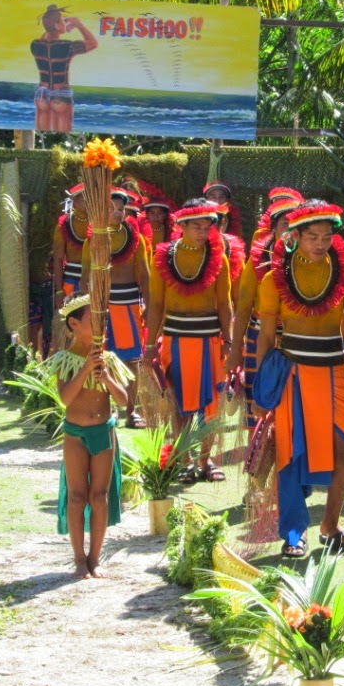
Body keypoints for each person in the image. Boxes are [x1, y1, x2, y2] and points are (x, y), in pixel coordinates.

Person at [252, 200, 344, 558]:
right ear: (294, 236)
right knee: (289, 455)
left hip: (334, 372)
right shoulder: (274, 279)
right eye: (312, 237)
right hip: (292, 376)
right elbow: (266, 338)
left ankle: (330, 525)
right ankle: (293, 533)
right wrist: (262, 389)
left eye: (327, 236)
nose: (321, 243)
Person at [144, 198, 232, 481]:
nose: (203, 232)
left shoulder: (220, 257)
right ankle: (183, 459)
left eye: (208, 227)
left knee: (210, 405)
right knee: (179, 403)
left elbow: (224, 304)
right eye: (197, 226)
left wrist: (229, 342)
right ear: (181, 225)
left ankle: (206, 462)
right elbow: (155, 304)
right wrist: (148, 345)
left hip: (210, 341)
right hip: (176, 339)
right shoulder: (161, 257)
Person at [45, 294, 131, 579]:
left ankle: (95, 558)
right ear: (74, 323)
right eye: (95, 321)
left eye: (103, 321)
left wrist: (105, 377)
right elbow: (66, 399)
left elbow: (123, 401)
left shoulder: (108, 360)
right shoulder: (63, 361)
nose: (102, 328)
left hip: (103, 433)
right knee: (77, 496)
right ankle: (79, 559)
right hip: (75, 436)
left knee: (100, 496)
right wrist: (84, 370)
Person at [226, 196, 300, 433]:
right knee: (257, 408)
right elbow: (244, 307)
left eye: (297, 227)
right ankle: (256, 459)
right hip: (260, 340)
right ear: (274, 229)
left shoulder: (314, 261)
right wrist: (235, 350)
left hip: (297, 344)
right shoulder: (258, 261)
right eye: (284, 226)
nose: (291, 232)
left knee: (293, 410)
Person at [81, 188, 151, 428]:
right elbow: (85, 276)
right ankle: (105, 407)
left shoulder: (137, 238)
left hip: (130, 305)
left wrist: (150, 306)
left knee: (132, 361)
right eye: (111, 209)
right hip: (102, 308)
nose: (117, 213)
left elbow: (144, 274)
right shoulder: (93, 240)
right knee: (101, 359)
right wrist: (84, 309)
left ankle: (131, 412)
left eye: (121, 209)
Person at [31, 4, 98, 132]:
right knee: (62, 137)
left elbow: (45, 40)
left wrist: (52, 26)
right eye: (63, 21)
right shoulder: (67, 46)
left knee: (42, 134)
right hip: (60, 96)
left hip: (42, 97)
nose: (65, 24)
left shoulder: (35, 45)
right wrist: (78, 24)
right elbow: (93, 43)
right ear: (57, 25)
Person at [52, 184, 88, 310]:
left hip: (94, 283)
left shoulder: (100, 224)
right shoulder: (64, 225)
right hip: (70, 283)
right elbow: (58, 260)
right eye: (86, 198)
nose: (90, 202)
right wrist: (59, 291)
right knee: (71, 323)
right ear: (75, 201)